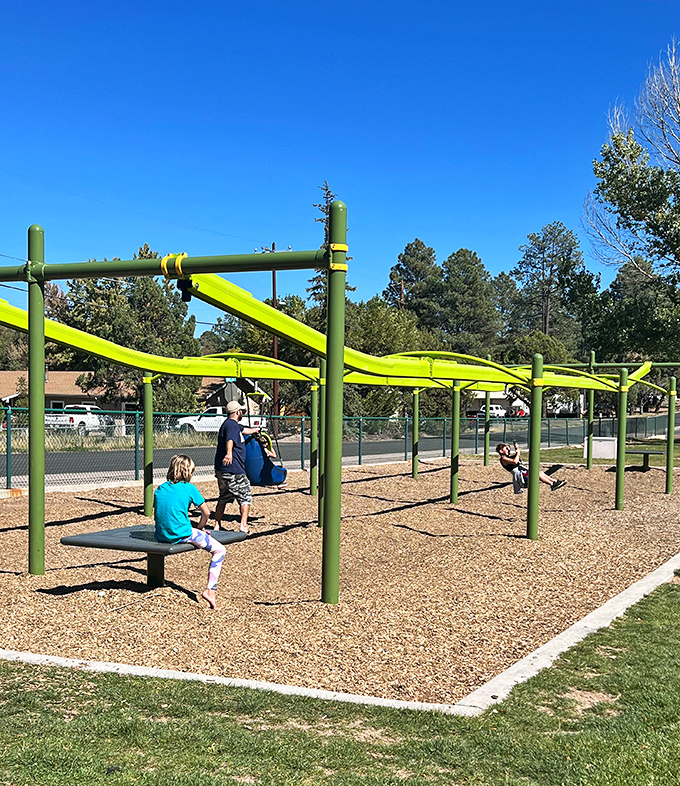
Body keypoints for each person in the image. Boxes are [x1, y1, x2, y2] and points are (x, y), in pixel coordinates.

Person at [154, 454, 226, 610]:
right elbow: (206, 513)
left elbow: (163, 512)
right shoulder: (189, 488)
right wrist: (200, 528)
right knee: (220, 550)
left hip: (161, 535)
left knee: (185, 527)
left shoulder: (160, 489)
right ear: (188, 472)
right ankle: (210, 590)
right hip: (182, 535)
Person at [213, 400, 262, 534]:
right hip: (233, 469)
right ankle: (243, 525)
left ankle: (217, 524)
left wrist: (255, 430)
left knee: (223, 496)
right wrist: (229, 453)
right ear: (237, 412)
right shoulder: (232, 426)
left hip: (222, 470)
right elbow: (230, 439)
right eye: (241, 411)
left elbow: (245, 430)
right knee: (245, 496)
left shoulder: (229, 424)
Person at [496, 441, 566, 494]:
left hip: (524, 474)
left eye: (509, 449)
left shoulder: (508, 457)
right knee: (536, 473)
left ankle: (555, 482)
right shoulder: (503, 459)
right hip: (522, 479)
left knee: (540, 472)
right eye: (506, 449)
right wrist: (518, 453)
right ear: (501, 451)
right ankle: (552, 484)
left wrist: (516, 448)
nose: (509, 450)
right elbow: (515, 461)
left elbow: (516, 458)